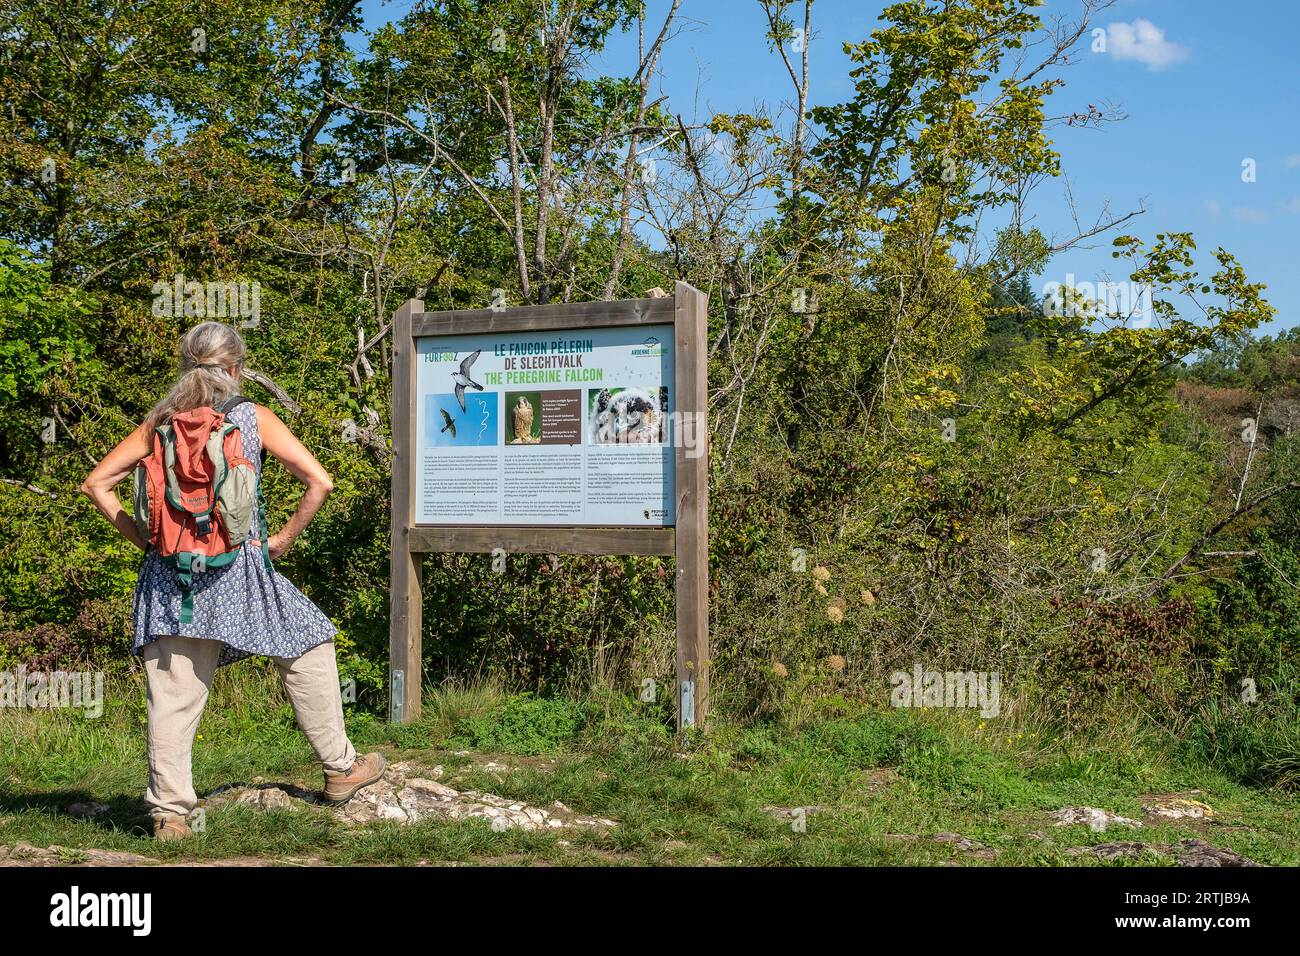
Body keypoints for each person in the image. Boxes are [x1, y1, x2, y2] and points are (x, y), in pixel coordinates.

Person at [80, 321, 385, 841]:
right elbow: (320, 481)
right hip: (239, 569)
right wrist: (282, 539)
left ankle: (170, 815)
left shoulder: (159, 423)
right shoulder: (252, 417)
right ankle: (340, 768)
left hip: (170, 577)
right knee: (308, 642)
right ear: (236, 368)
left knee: (174, 691)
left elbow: (96, 484)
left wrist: (147, 542)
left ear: (186, 366)